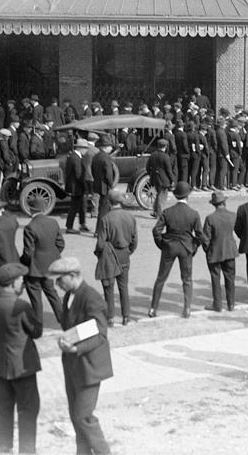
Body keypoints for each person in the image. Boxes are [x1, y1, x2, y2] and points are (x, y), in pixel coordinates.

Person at [48, 257, 112, 455]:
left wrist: (76, 349)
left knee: (83, 415)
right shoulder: (70, 296)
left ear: (73, 275)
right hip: (73, 365)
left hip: (89, 366)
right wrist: (65, 341)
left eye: (60, 279)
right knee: (75, 416)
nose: (57, 284)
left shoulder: (91, 298)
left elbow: (100, 335)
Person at [0, 262, 42, 455]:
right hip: (23, 366)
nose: (22, 284)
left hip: (1, 365)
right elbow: (36, 332)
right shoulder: (21, 305)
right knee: (28, 409)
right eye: (21, 280)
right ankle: (27, 451)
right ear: (13, 282)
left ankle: (5, 447)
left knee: (4, 408)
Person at [149, 182, 206, 318]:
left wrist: (162, 244)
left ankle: (153, 308)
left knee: (161, 278)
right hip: (186, 248)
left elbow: (156, 231)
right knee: (187, 279)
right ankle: (187, 309)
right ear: (188, 196)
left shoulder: (167, 212)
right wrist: (193, 246)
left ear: (176, 196)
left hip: (169, 247)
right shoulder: (193, 214)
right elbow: (200, 236)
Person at [94, 190, 138, 326]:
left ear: (109, 202)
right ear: (121, 202)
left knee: (109, 288)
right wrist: (128, 251)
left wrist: (98, 254)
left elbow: (100, 243)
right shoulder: (130, 217)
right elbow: (134, 241)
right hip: (124, 255)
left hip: (109, 257)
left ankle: (110, 318)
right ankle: (126, 316)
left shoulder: (106, 219)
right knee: (123, 287)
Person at [21, 196, 65, 324]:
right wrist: (52, 256)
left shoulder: (30, 227)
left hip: (34, 268)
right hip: (50, 266)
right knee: (51, 292)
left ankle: (38, 324)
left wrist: (22, 264)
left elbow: (28, 253)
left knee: (35, 297)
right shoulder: (53, 222)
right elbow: (60, 244)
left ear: (30, 209)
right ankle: (63, 319)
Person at [202, 191, 239, 312]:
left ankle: (217, 305)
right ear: (224, 202)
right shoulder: (232, 215)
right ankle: (231, 304)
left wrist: (208, 250)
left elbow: (205, 238)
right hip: (230, 250)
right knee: (230, 278)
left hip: (215, 252)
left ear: (214, 204)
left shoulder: (210, 218)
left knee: (215, 278)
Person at [65, 138, 90, 234]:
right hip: (76, 186)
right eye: (86, 148)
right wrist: (85, 186)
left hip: (76, 186)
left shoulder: (74, 156)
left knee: (82, 206)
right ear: (81, 148)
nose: (86, 151)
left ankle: (82, 224)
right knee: (74, 207)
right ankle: (69, 227)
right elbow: (78, 174)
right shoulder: (75, 158)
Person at [146, 138, 174, 218]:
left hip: (155, 178)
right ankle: (159, 214)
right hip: (164, 179)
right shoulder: (165, 156)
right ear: (165, 147)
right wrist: (172, 180)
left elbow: (147, 167)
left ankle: (155, 211)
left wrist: (151, 174)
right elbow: (169, 170)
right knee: (162, 197)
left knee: (159, 195)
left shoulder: (153, 155)